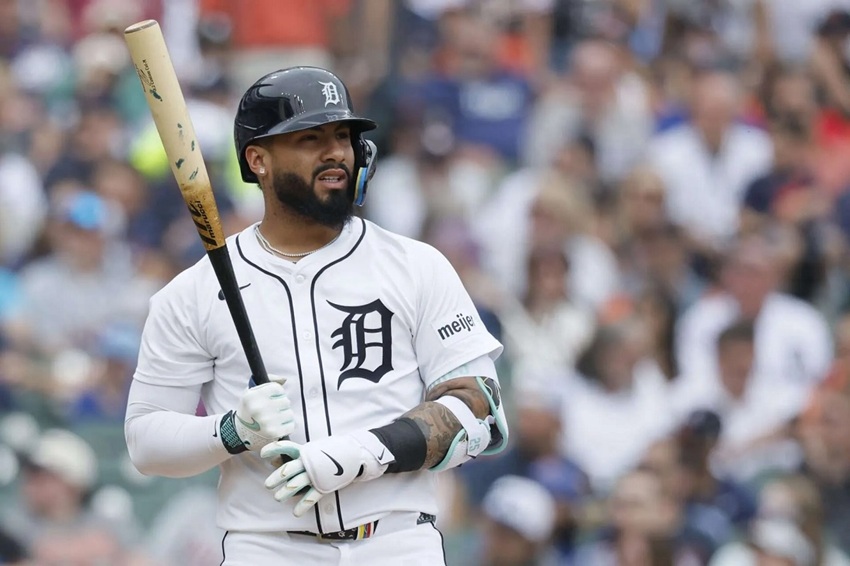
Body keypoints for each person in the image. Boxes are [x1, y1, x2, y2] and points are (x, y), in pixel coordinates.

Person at [124, 66, 508, 566]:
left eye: (343, 136)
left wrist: (359, 454)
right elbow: (146, 441)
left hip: (397, 543)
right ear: (257, 159)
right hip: (266, 548)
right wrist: (230, 431)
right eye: (310, 138)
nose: (335, 152)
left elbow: (481, 412)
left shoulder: (417, 266)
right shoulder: (192, 292)